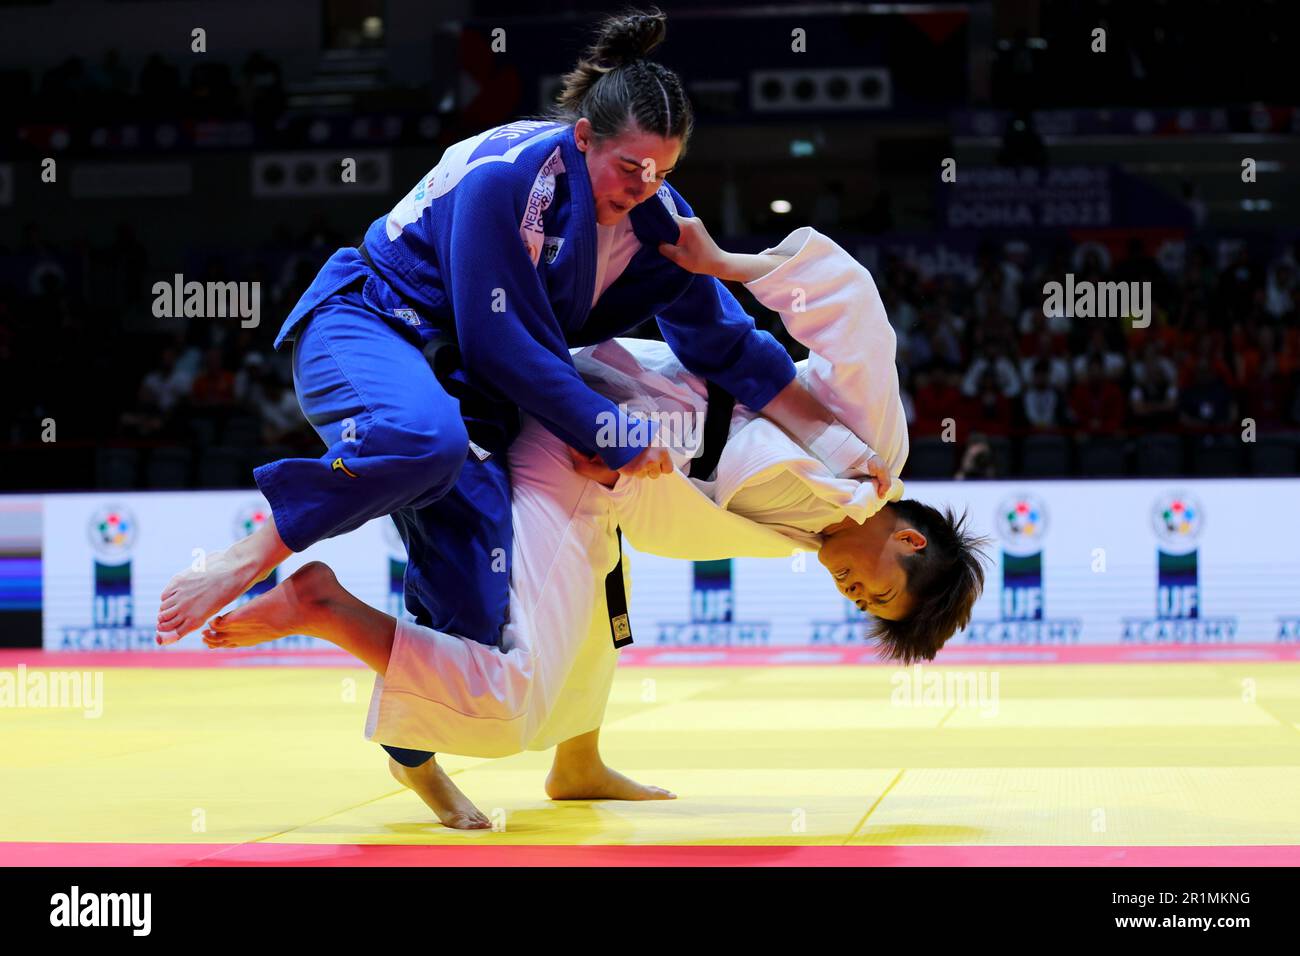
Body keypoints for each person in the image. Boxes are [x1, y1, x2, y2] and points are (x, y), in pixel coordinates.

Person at [201, 219, 988, 828]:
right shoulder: (873, 452)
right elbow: (851, 307)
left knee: (601, 623)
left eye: (863, 607)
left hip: (606, 462)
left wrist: (623, 466)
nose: (855, 593)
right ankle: (324, 610)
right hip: (581, 421)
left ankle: (577, 765)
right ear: (909, 540)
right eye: (879, 594)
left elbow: (669, 504)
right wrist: (726, 268)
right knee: (513, 698)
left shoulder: (806, 533)